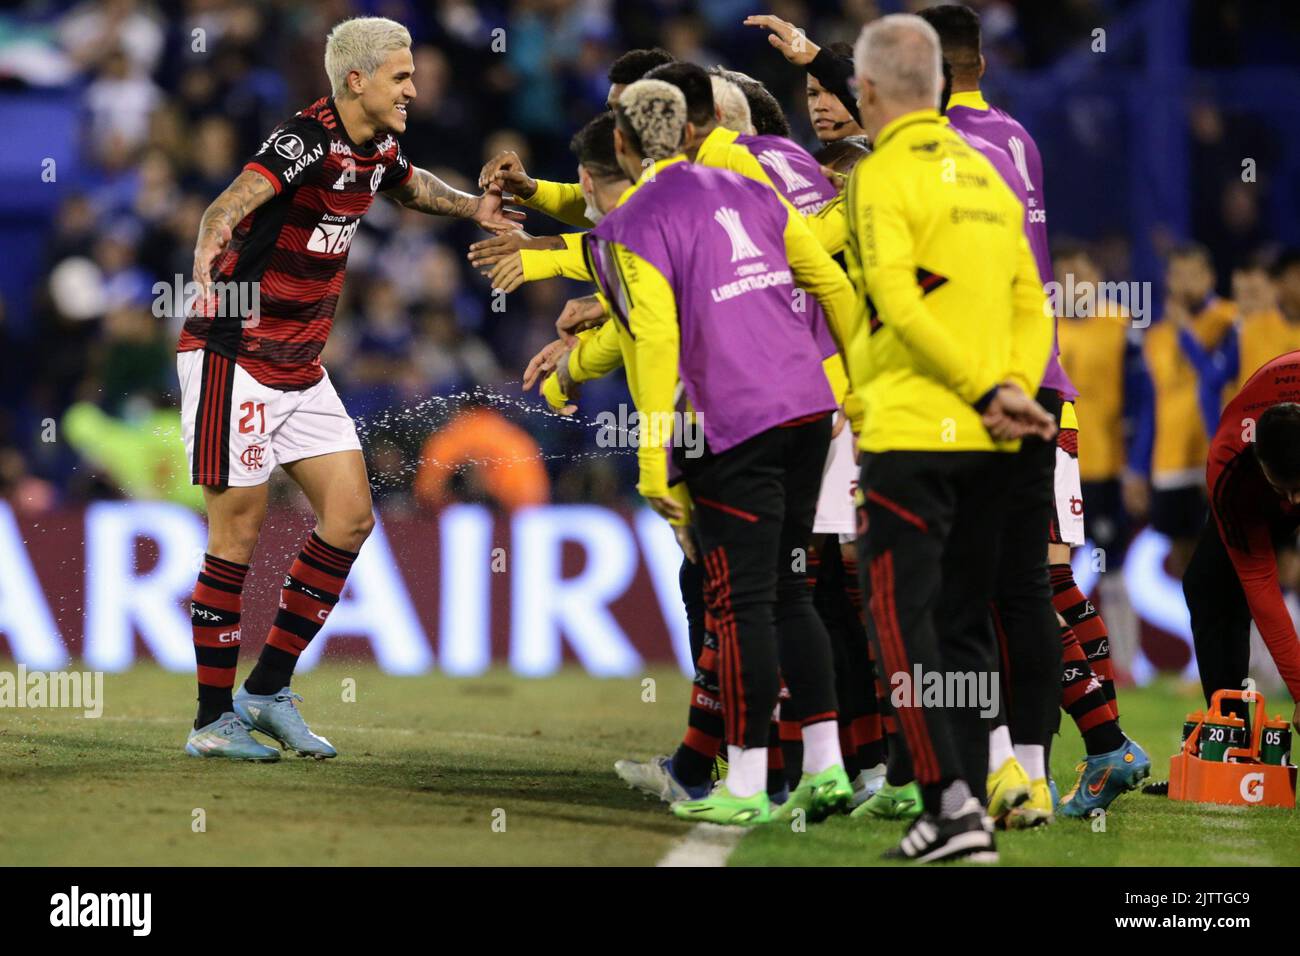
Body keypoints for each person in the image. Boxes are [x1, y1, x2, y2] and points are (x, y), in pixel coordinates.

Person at [179, 16, 517, 760]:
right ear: (356, 80)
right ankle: (211, 719)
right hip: (233, 355)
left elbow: (410, 187)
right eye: (401, 76)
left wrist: (473, 208)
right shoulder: (305, 138)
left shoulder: (379, 145)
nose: (413, 88)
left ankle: (266, 689)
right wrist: (211, 235)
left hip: (300, 365)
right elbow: (237, 197)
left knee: (351, 517)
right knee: (236, 533)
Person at [588, 78, 861, 825]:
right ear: (685, 130)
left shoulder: (629, 225)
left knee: (738, 607)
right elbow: (833, 286)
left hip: (732, 423)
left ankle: (744, 783)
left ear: (621, 143)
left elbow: (656, 344)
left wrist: (652, 462)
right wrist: (856, 388)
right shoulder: (753, 187)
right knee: (790, 591)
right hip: (808, 411)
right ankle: (828, 768)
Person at [844, 14, 1055, 862]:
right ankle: (963, 812)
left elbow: (896, 299)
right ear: (939, 85)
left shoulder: (879, 177)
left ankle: (952, 804)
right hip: (998, 440)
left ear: (865, 92)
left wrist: (976, 385)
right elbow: (1033, 304)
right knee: (967, 623)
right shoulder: (989, 176)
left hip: (910, 429)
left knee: (900, 619)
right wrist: (1011, 389)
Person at [1185, 351, 1300, 735]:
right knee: (1210, 588)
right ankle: (1230, 733)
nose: (1293, 501)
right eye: (1282, 488)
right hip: (1249, 498)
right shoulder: (1229, 465)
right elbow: (1261, 588)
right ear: (1261, 463)